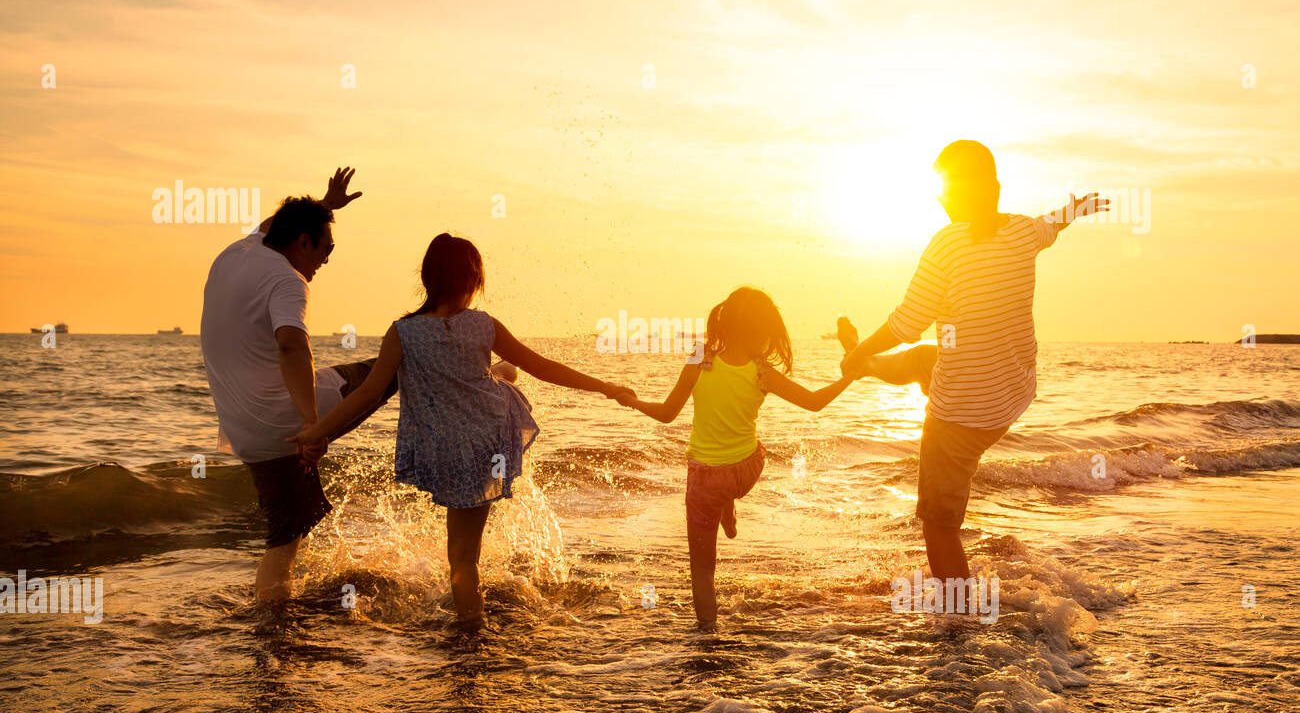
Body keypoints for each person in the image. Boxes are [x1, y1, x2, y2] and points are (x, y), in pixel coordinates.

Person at [289, 233, 633, 629]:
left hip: (445, 448)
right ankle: (473, 629)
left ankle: (471, 628)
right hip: (488, 443)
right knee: (467, 554)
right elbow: (546, 367)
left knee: (462, 557)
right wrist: (606, 387)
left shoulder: (403, 332)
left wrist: (318, 432)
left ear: (428, 279)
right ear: (473, 281)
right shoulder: (484, 325)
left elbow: (367, 392)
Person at [840, 140, 1108, 601]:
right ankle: (868, 367)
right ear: (997, 188)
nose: (940, 200)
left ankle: (959, 626)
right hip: (1009, 396)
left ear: (950, 197)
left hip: (959, 415)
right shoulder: (1023, 231)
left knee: (938, 526)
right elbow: (1053, 222)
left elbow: (906, 322)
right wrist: (1079, 206)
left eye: (943, 191)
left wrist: (853, 349)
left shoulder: (947, 245)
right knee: (926, 359)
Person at [200, 167, 397, 603]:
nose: (327, 258)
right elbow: (292, 346)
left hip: (244, 430)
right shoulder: (289, 281)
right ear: (302, 243)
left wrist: (324, 206)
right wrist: (312, 424)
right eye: (326, 248)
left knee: (289, 525)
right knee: (399, 361)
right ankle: (486, 378)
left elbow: (275, 225)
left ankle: (273, 623)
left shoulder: (235, 252)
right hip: (287, 421)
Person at [615, 287, 855, 628]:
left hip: (705, 480)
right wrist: (852, 375)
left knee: (702, 571)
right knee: (755, 448)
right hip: (747, 470)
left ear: (725, 321)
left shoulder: (701, 358)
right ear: (764, 331)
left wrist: (633, 401)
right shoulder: (762, 372)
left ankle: (708, 639)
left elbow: (668, 413)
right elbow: (815, 402)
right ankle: (728, 501)